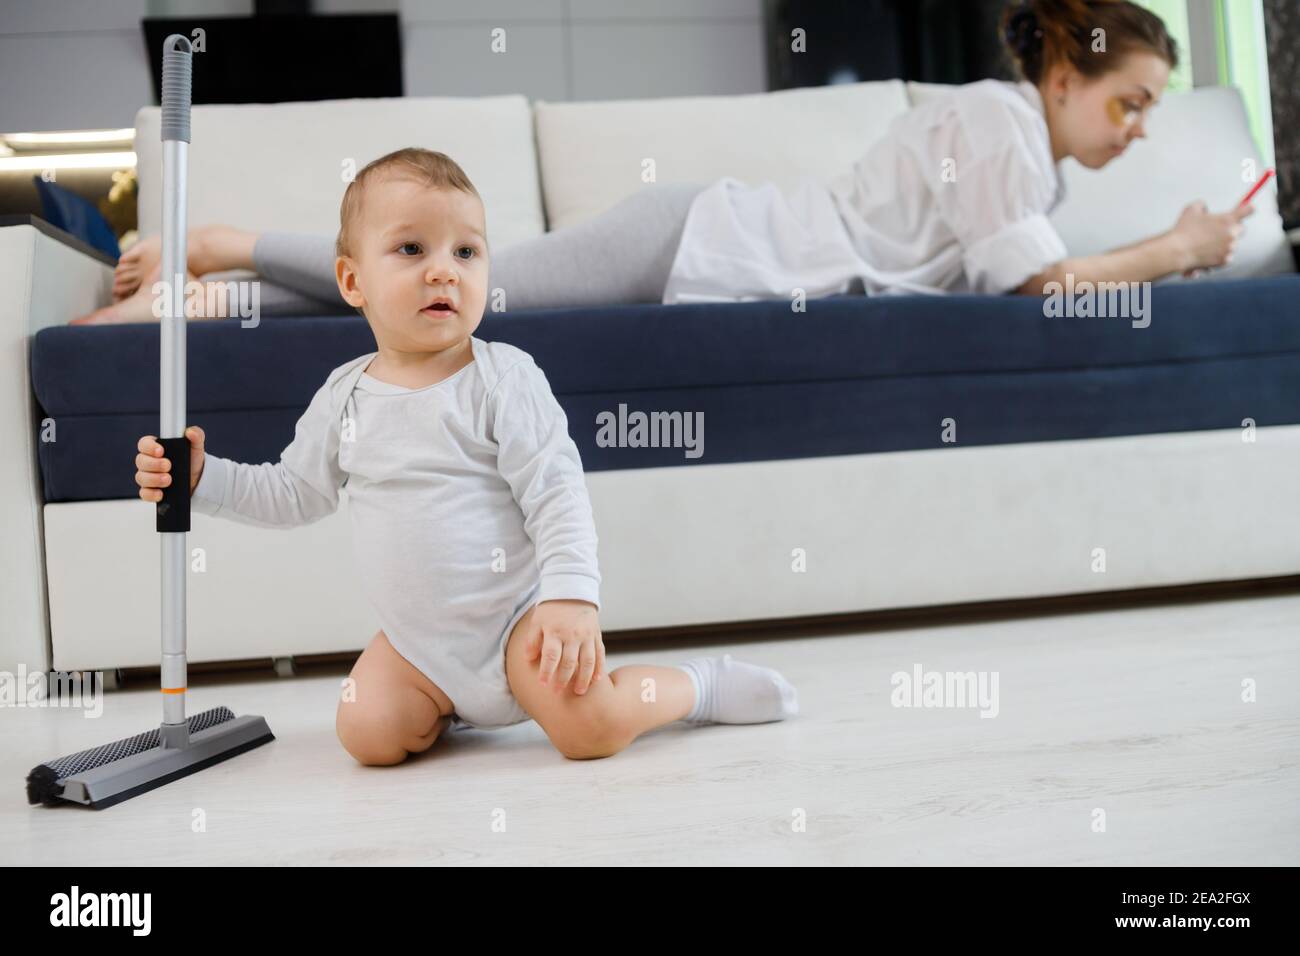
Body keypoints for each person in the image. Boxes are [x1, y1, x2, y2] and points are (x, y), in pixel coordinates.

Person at [131, 148, 798, 764]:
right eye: (412, 248)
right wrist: (203, 479)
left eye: (467, 252)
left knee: (588, 730)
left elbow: (557, 493)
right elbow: (294, 492)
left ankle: (697, 687)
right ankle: (447, 705)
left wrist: (571, 598)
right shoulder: (343, 397)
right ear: (351, 280)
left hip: (516, 627)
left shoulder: (502, 378)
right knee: (367, 734)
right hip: (416, 644)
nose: (444, 269)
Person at [74, 0, 1250, 325]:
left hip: (710, 244)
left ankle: (203, 296)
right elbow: (1034, 288)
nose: (1138, 127)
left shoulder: (1019, 156)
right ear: (1061, 77)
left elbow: (1023, 265)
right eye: (1130, 102)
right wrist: (1181, 247)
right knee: (471, 293)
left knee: (425, 308)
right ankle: (222, 242)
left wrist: (1164, 254)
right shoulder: (999, 120)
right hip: (700, 241)